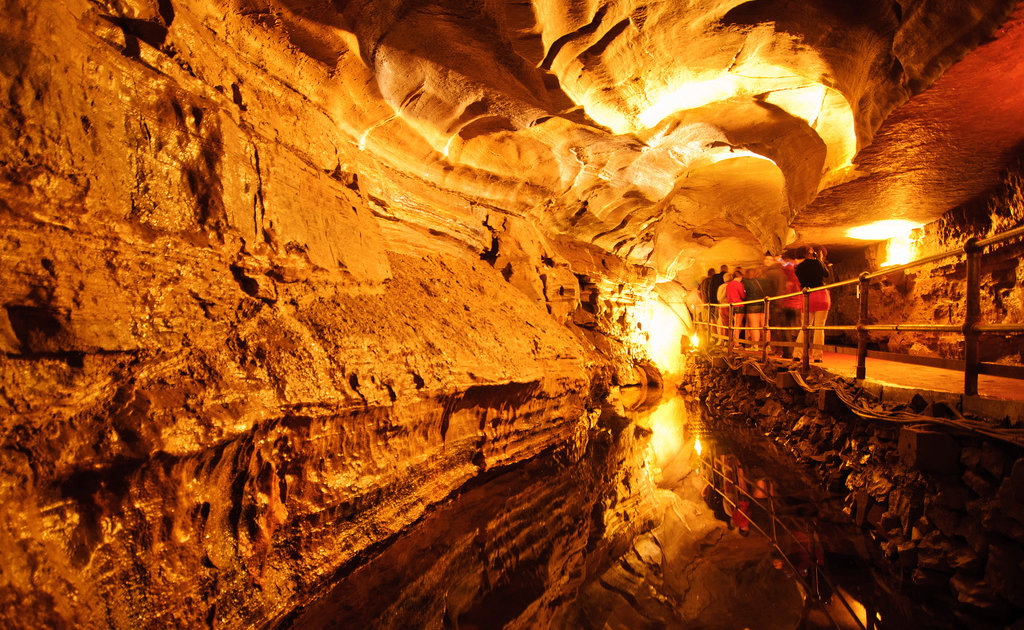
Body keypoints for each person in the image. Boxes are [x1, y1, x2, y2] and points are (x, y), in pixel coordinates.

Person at [793, 246, 831, 362]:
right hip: (821, 295)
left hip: (807, 297)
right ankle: (817, 356)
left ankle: (797, 354)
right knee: (819, 327)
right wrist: (819, 259)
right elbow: (826, 274)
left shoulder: (798, 268)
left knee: (804, 327)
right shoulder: (817, 263)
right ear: (808, 253)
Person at [742, 267, 767, 350]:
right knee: (765, 326)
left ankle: (755, 346)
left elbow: (744, 294)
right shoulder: (763, 282)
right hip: (763, 305)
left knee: (754, 326)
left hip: (752, 305)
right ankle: (767, 346)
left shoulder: (747, 283)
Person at [725, 270, 746, 348]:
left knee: (735, 324)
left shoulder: (728, 284)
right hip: (739, 305)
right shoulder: (739, 284)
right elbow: (743, 295)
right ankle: (736, 343)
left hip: (731, 306)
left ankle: (733, 341)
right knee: (738, 324)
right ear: (739, 277)